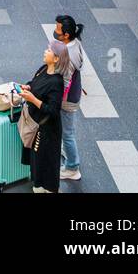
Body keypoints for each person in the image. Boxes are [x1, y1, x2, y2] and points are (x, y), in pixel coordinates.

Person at [19, 41, 68, 193]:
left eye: (49, 50)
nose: (45, 51)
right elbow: (34, 83)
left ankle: (47, 188)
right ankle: (38, 185)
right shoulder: (43, 69)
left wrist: (32, 99)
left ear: (56, 59)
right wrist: (28, 86)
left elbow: (53, 110)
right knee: (37, 160)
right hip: (36, 124)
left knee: (47, 163)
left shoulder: (56, 82)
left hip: (47, 131)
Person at [53, 15, 85, 182]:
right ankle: (68, 154)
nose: (55, 31)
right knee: (67, 130)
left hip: (68, 100)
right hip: (74, 92)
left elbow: (64, 83)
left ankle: (72, 167)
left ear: (66, 35)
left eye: (58, 29)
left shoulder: (68, 55)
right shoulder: (75, 42)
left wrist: (56, 101)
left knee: (68, 133)